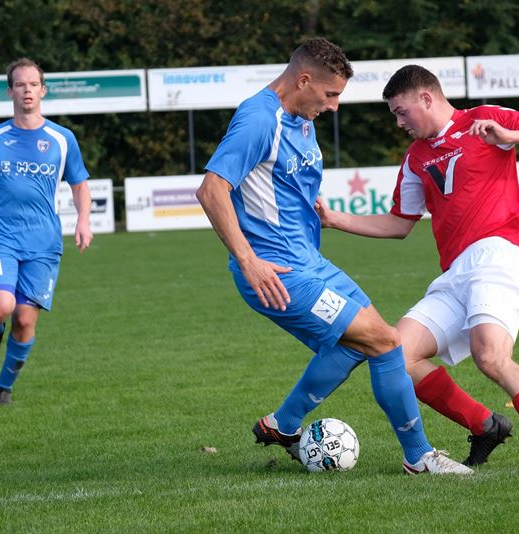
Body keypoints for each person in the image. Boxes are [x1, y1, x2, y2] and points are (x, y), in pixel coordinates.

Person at [196, 38, 471, 475]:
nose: (335, 106)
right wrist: (248, 260)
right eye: (330, 95)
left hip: (311, 263)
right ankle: (419, 456)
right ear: (302, 80)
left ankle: (283, 425)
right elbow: (212, 189)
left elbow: (278, 185)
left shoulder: (302, 118)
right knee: (385, 342)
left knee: (360, 345)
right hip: (280, 272)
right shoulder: (258, 119)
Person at [315, 65, 519, 469]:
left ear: (426, 98)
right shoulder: (415, 159)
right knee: (396, 357)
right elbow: (399, 224)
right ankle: (485, 425)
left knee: (490, 356)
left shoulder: (483, 120)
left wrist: (512, 136)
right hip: (456, 271)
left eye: (402, 111)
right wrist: (336, 219)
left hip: (500, 252)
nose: (399, 122)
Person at [0, 57, 93, 405]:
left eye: (33, 84)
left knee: (23, 319)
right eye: (20, 84)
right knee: (0, 307)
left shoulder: (62, 139)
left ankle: (3, 389)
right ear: (10, 91)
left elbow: (80, 185)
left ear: (43, 90)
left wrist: (83, 221)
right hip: (0, 237)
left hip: (43, 243)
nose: (27, 90)